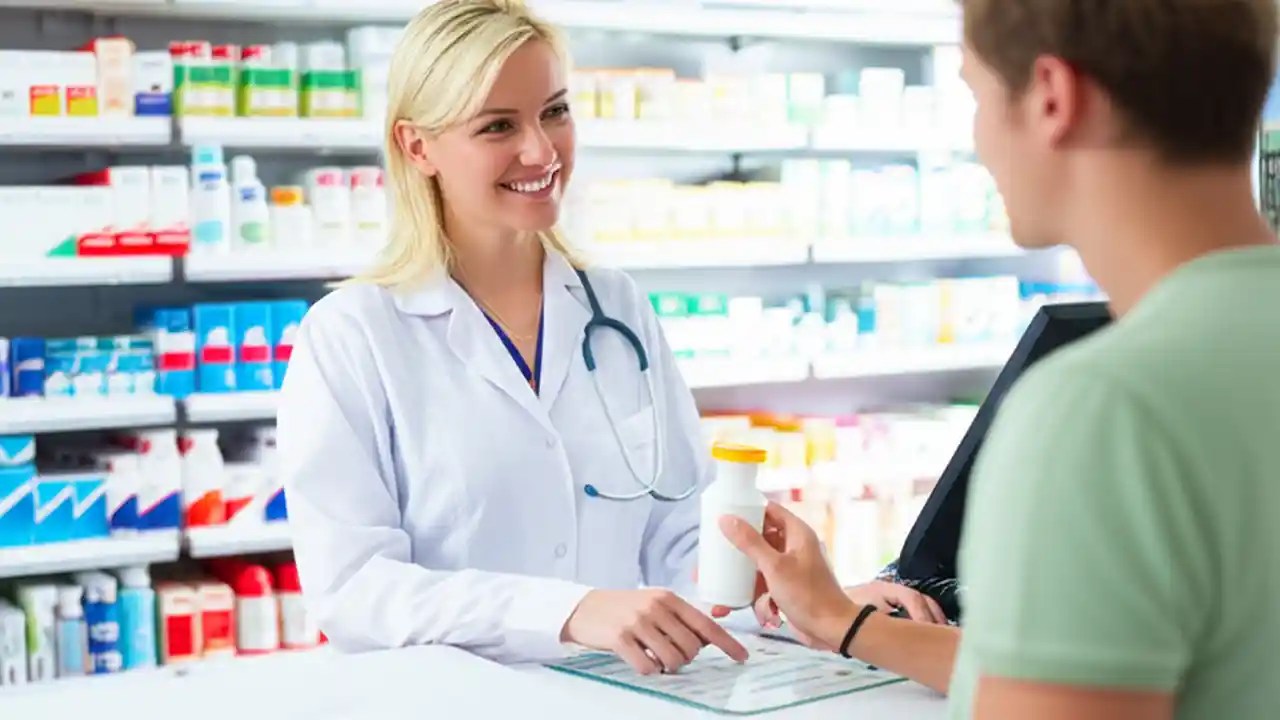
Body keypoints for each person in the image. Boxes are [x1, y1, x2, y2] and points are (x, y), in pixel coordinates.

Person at [276, 0, 937, 675]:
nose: (540, 150)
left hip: (628, 696)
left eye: (554, 112)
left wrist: (815, 611)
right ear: (418, 146)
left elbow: (680, 537)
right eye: (498, 125)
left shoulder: (615, 307)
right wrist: (569, 611)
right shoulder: (353, 336)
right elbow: (354, 589)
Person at [718, 1, 1280, 718]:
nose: (979, 139)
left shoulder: (1103, 410)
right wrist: (842, 621)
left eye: (976, 95)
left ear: (1053, 98)